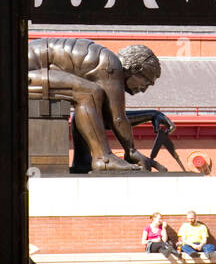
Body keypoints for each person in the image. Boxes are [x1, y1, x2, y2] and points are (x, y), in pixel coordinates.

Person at [28, 36, 160, 173]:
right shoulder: (111, 66)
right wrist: (131, 151)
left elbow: (105, 118)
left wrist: (152, 115)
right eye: (146, 82)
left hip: (32, 72)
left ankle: (83, 161)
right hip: (25, 75)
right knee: (88, 93)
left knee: (88, 108)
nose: (144, 90)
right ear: (136, 68)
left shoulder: (105, 61)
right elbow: (117, 119)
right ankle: (104, 159)